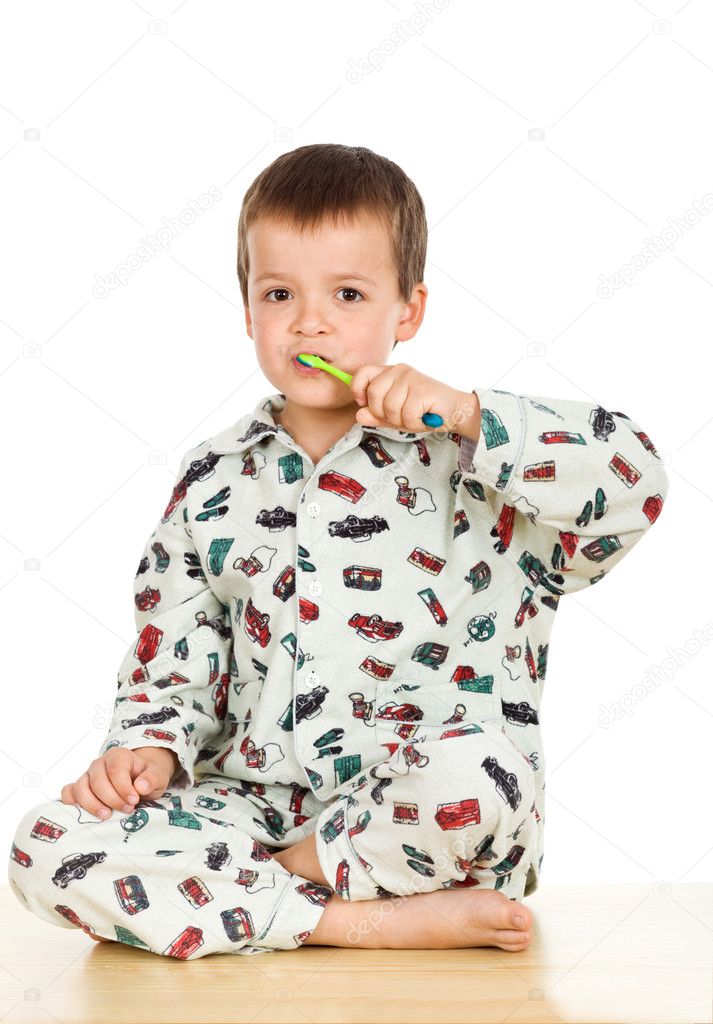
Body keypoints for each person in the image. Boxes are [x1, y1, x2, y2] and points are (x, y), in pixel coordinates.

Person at [8, 143, 669, 960]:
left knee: (481, 776)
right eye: (279, 293)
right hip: (245, 806)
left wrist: (468, 415)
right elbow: (171, 651)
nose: (308, 322)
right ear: (248, 313)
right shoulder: (213, 478)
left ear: (408, 311)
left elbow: (632, 482)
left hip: (422, 814)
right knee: (48, 843)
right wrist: (147, 747)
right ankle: (352, 923)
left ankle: (258, 893)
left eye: (347, 294)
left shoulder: (475, 464)